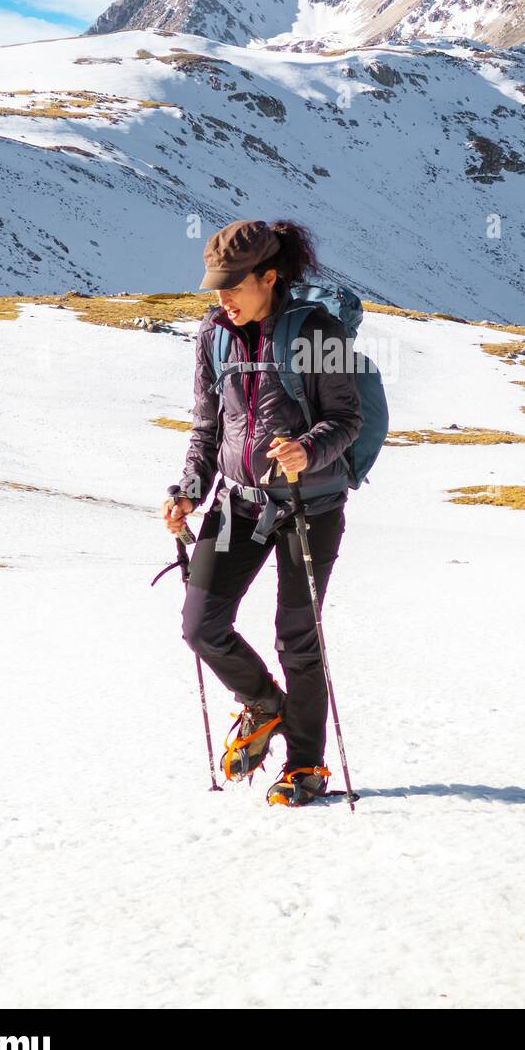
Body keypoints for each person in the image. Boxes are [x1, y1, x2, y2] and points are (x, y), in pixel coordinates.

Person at [162, 219, 363, 807]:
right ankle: (263, 703)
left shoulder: (317, 332)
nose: (222, 298)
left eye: (233, 286)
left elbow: (345, 420)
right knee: (201, 625)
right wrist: (189, 490)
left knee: (297, 638)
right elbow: (206, 428)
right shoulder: (213, 336)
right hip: (238, 507)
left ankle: (306, 766)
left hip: (311, 506)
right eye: (216, 288)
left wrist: (308, 448)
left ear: (269, 278)